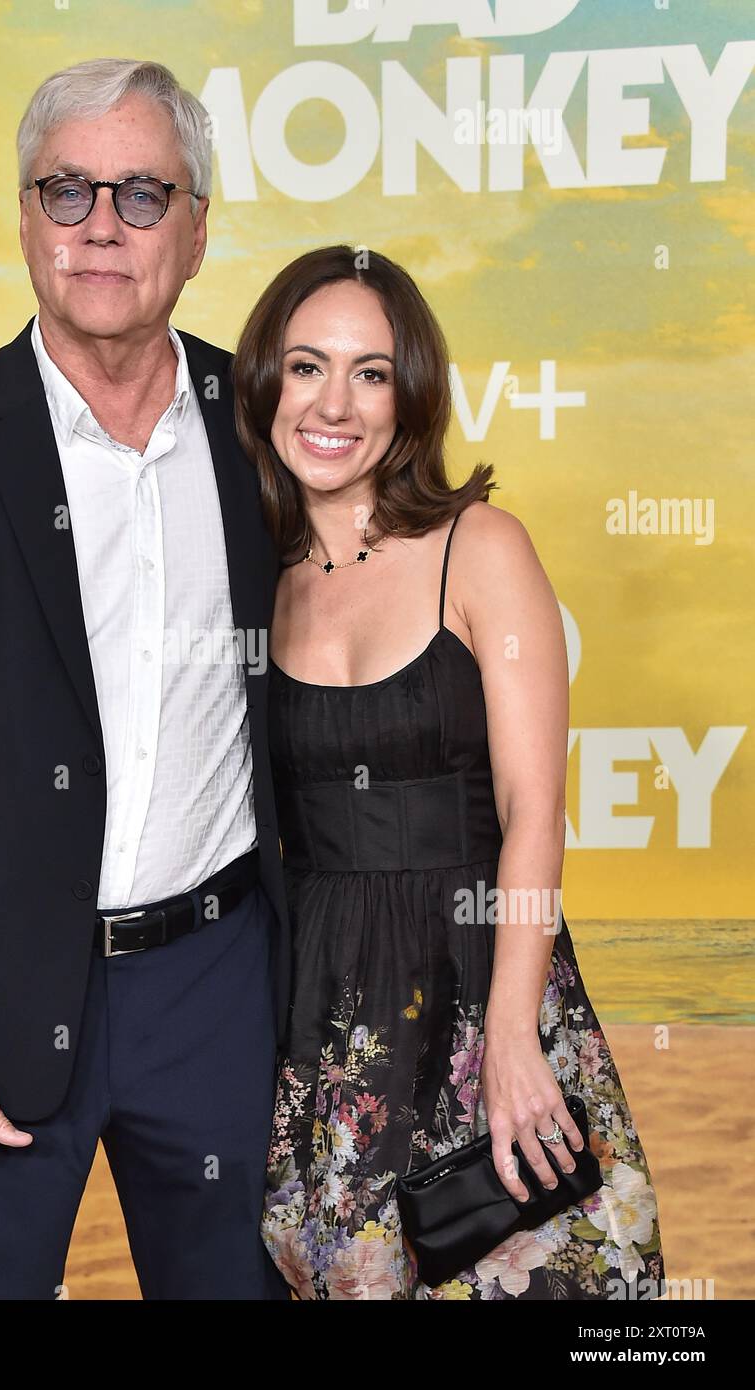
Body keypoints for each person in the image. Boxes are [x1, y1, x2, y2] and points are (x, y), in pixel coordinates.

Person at [0, 58, 292, 1300]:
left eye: (142, 194)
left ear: (197, 229)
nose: (100, 225)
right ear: (24, 218)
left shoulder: (267, 428)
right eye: (66, 190)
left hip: (218, 997)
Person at [232, 245, 667, 1300]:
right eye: (305, 366)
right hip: (320, 1010)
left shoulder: (481, 547)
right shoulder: (252, 574)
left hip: (480, 980)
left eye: (370, 372)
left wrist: (512, 1039)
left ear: (408, 395)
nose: (334, 402)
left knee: (536, 1269)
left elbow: (531, 811)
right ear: (264, 384)